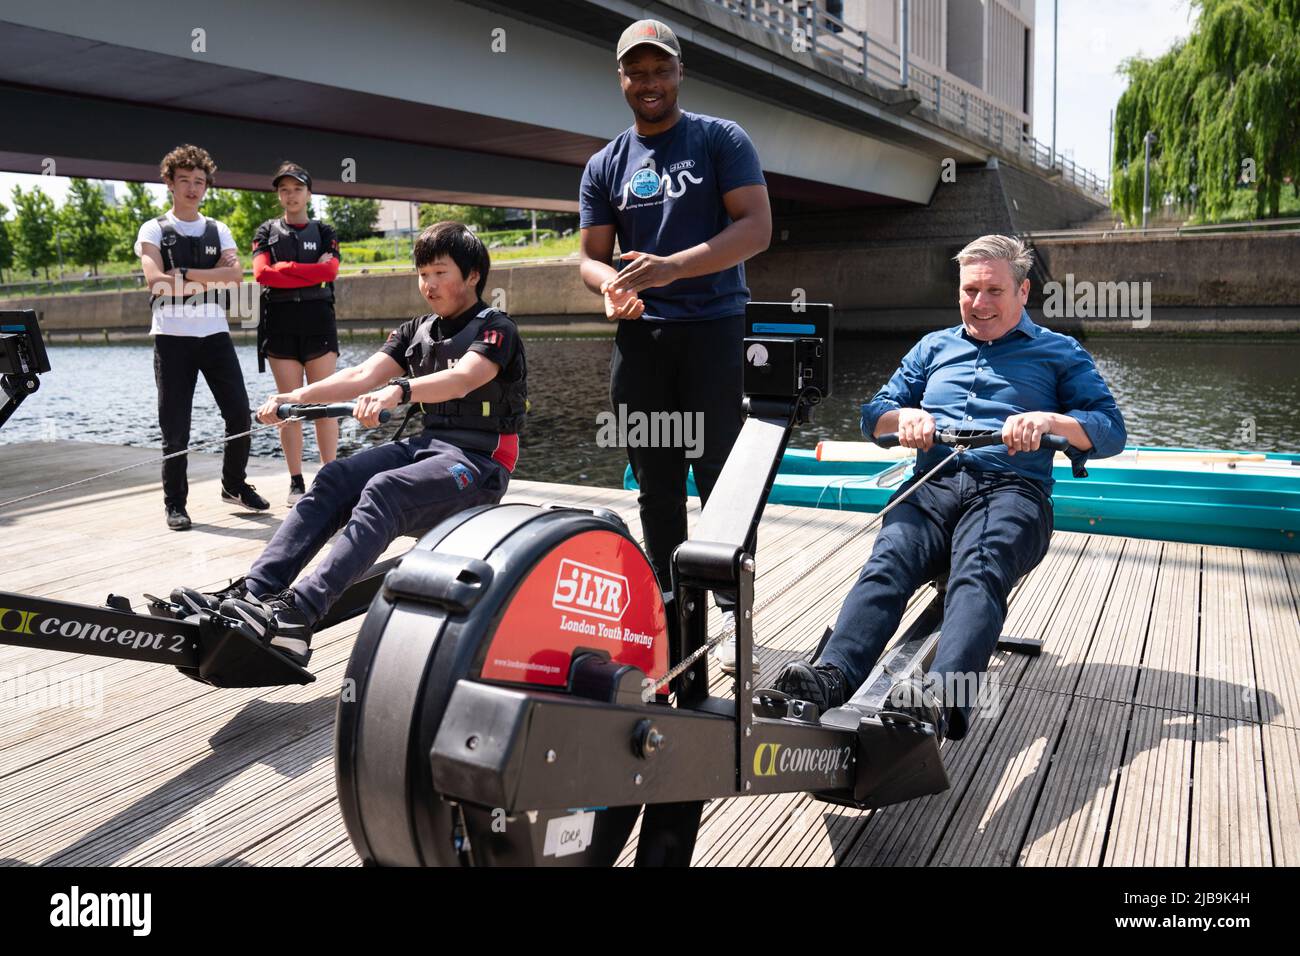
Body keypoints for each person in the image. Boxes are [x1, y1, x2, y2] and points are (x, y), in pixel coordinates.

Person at [771, 235, 1127, 740]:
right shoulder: (932, 348)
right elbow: (874, 416)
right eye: (969, 291)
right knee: (888, 560)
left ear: (1023, 292)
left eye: (993, 291)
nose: (978, 304)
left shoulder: (1059, 352)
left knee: (978, 569)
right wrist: (905, 417)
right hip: (932, 486)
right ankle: (831, 677)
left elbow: (1111, 431)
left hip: (1011, 493)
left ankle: (941, 698)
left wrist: (1051, 421)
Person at [172, 222, 526, 666]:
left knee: (385, 490)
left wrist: (401, 390)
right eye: (422, 274)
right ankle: (253, 592)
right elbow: (359, 377)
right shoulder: (415, 329)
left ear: (473, 275)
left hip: (478, 466)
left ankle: (297, 616)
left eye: (440, 272)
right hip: (430, 447)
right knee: (337, 476)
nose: (429, 284)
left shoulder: (496, 328)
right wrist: (294, 397)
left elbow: (463, 379)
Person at [578, 18, 772, 674]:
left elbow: (756, 228)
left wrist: (670, 267)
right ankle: (670, 608)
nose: (649, 82)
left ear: (679, 72)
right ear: (621, 78)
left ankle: (728, 603)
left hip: (714, 329)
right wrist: (611, 288)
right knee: (656, 484)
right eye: (637, 71)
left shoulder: (720, 140)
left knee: (720, 474)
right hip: (644, 340)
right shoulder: (605, 164)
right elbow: (589, 258)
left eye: (660, 69)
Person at [136, 144, 269, 531]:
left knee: (239, 414)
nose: (193, 189)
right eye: (185, 181)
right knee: (176, 427)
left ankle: (233, 484)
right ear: (170, 184)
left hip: (215, 335)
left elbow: (236, 278)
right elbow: (156, 283)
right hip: (172, 339)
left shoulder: (218, 229)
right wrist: (209, 275)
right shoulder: (154, 229)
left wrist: (186, 274)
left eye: (199, 182)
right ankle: (175, 502)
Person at [251, 162, 342, 504]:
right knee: (288, 403)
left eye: (297, 189)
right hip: (281, 324)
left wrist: (285, 269)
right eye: (284, 190)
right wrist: (305, 271)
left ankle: (329, 477)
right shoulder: (265, 232)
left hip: (318, 322)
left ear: (308, 193)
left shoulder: (324, 230)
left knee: (323, 403)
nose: (290, 195)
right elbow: (263, 275)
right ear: (279, 195)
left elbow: (329, 271)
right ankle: (295, 481)